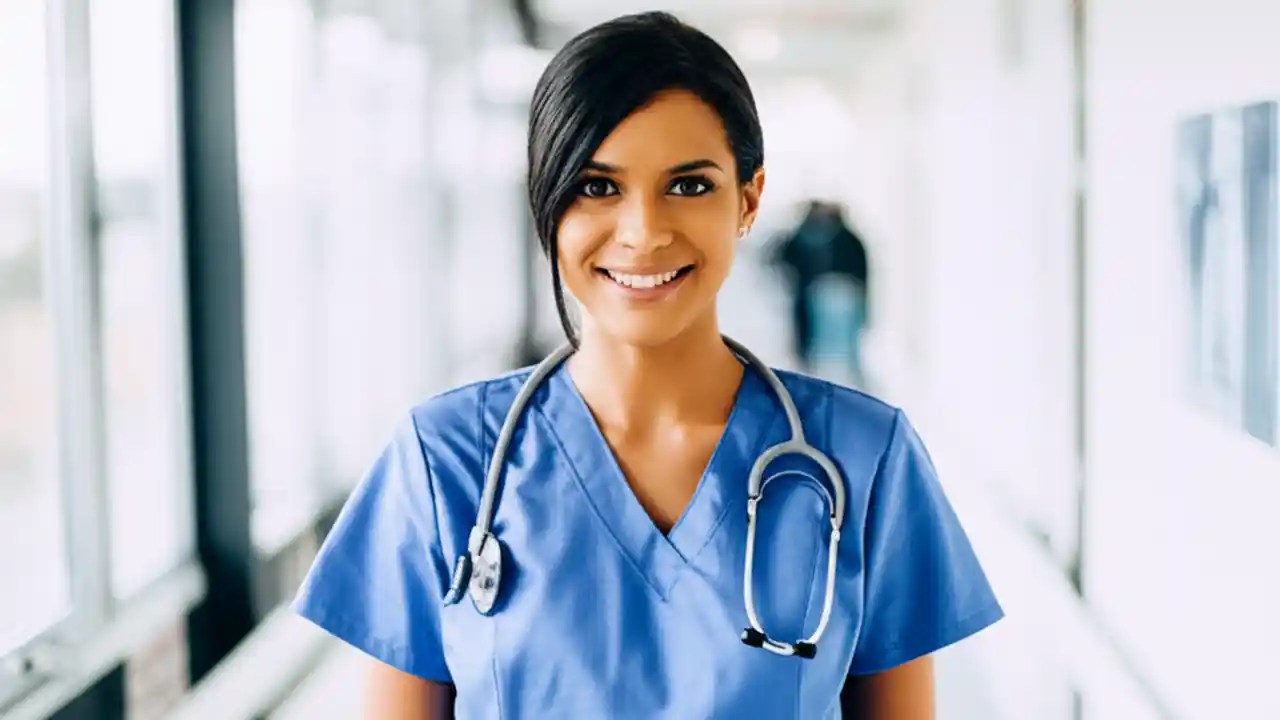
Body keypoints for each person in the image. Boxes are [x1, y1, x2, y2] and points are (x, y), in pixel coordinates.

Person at [292, 12, 1002, 719]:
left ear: (748, 200)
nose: (643, 233)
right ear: (546, 202)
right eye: (597, 187)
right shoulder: (444, 460)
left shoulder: (864, 458)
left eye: (688, 186)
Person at [769, 201, 871, 385]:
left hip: (835, 295)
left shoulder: (829, 238)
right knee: (827, 350)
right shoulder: (808, 237)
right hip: (819, 296)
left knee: (837, 350)